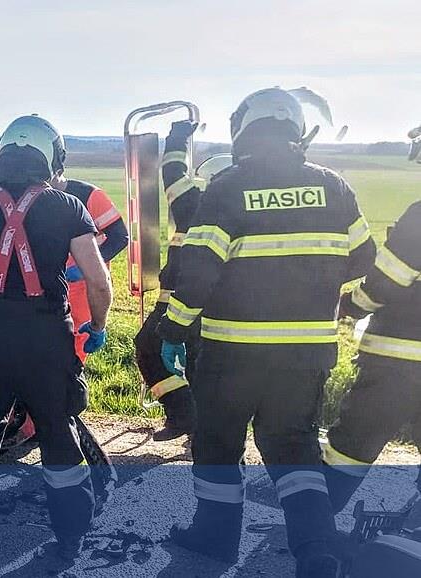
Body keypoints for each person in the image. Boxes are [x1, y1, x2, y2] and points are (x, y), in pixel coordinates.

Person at [156, 87, 376, 577]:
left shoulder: (229, 187)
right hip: (306, 354)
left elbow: (199, 272)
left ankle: (215, 539)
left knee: (218, 444)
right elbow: (363, 256)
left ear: (243, 130)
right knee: (294, 450)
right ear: (296, 130)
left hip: (232, 353)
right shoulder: (334, 187)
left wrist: (173, 327)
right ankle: (316, 550)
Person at [0, 115, 113, 576]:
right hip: (48, 342)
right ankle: (69, 539)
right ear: (52, 158)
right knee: (58, 439)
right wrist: (99, 326)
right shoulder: (69, 206)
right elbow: (98, 280)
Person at [322, 163, 420, 514]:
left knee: (351, 444)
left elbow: (387, 280)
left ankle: (319, 521)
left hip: (400, 361)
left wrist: (350, 305)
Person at [133, 120, 220, 441]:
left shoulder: (192, 202)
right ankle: (191, 420)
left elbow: (171, 170)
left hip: (178, 300)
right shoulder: (240, 210)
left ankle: (186, 415)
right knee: (192, 361)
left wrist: (178, 136)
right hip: (205, 303)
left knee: (150, 348)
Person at [49, 174, 128, 361]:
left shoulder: (90, 196)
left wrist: (86, 267)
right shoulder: (38, 199)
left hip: (85, 289)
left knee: (75, 352)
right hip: (51, 286)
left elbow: (119, 237)